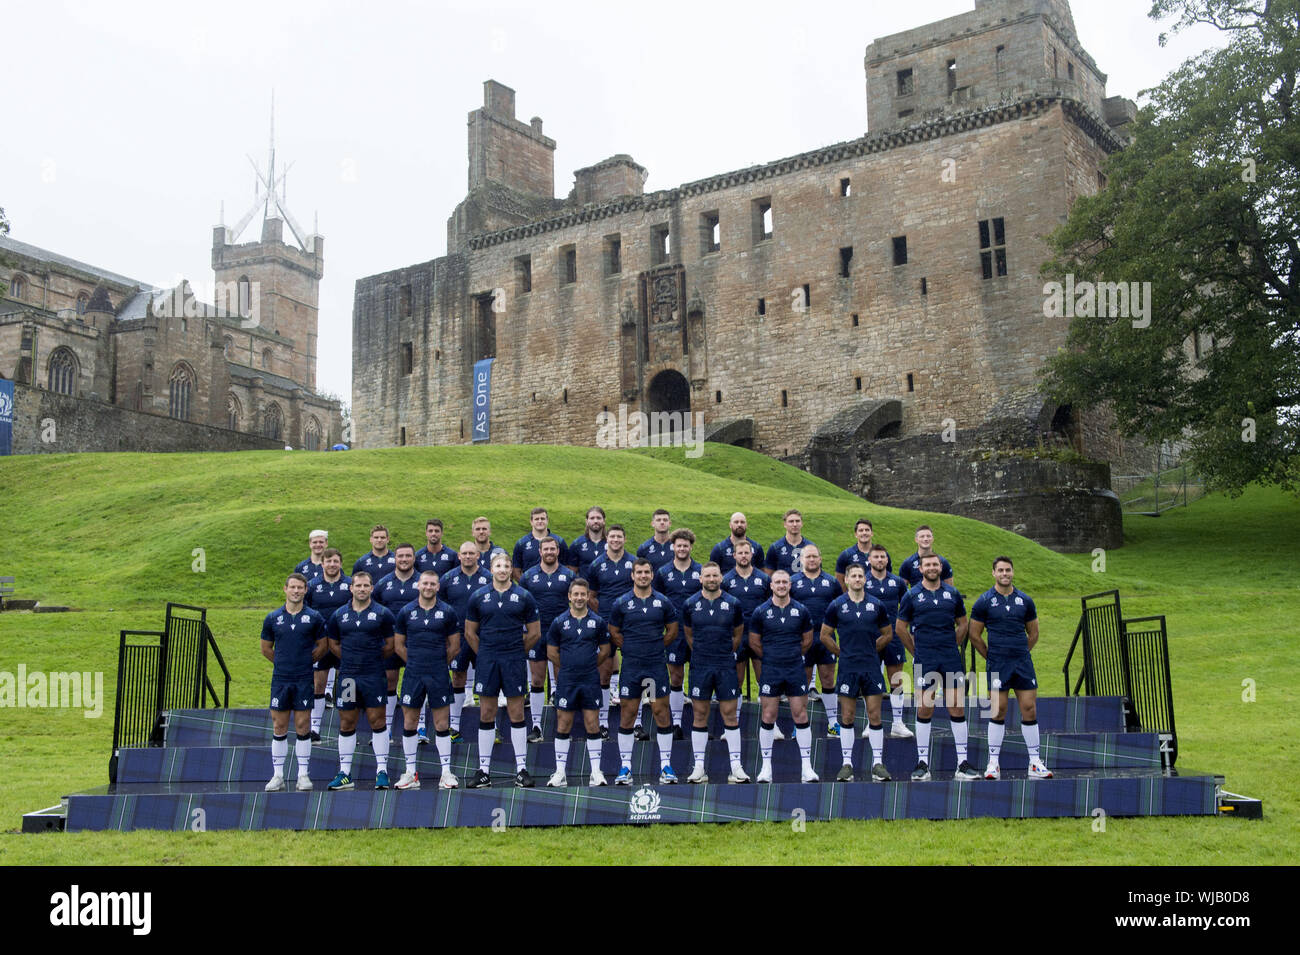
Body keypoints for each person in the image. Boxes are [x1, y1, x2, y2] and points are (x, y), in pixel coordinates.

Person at [895, 555, 979, 781]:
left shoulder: (952, 594)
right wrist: (917, 652)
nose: (932, 568)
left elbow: (962, 623)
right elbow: (901, 628)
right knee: (925, 709)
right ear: (921, 568)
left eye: (935, 565)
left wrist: (953, 645)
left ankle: (962, 763)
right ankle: (922, 763)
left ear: (940, 568)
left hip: (950, 658)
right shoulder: (912, 595)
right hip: (926, 658)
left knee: (957, 708)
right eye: (928, 565)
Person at [967, 556, 1052, 780]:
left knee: (1029, 708)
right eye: (1001, 570)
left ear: (1013, 572)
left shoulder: (1025, 600)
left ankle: (1035, 762)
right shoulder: (984, 601)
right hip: (997, 663)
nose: (1005, 574)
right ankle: (993, 763)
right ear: (993, 573)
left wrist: (1022, 652)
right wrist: (991, 656)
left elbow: (1033, 633)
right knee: (998, 709)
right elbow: (974, 635)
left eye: (1008, 570)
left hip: (1022, 662)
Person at [463, 552, 541, 788]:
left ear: (510, 570)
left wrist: (516, 651)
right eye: (498, 565)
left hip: (513, 661)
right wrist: (485, 653)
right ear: (491, 568)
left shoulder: (524, 596)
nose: (503, 569)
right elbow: (469, 633)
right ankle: (483, 771)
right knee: (486, 712)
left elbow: (535, 633)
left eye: (507, 565)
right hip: (488, 661)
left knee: (516, 712)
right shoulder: (478, 596)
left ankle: (521, 770)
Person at [607, 559, 679, 785]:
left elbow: (672, 630)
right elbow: (614, 631)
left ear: (652, 574)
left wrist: (656, 647)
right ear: (632, 575)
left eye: (647, 572)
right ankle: (625, 768)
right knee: (628, 713)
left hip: (654, 668)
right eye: (639, 572)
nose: (643, 576)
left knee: (660, 712)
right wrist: (628, 648)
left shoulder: (663, 602)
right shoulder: (622, 603)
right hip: (632, 668)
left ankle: (666, 766)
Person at [325, 571, 398, 790]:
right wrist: (351, 660)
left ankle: (382, 771)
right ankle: (345, 773)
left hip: (374, 674)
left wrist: (371, 660)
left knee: (378, 721)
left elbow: (390, 644)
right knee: (347, 721)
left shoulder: (383, 614)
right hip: (348, 677)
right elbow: (333, 644)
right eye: (358, 585)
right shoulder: (339, 615)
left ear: (371, 588)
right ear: (351, 588)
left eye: (366, 585)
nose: (362, 589)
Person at [820, 564, 893, 782]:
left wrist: (872, 649)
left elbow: (888, 633)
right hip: (848, 667)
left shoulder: (876, 605)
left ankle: (877, 764)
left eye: (861, 576)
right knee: (847, 716)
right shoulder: (836, 605)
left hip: (871, 666)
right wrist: (841, 653)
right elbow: (825, 635)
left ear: (865, 580)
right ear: (848, 580)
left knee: (875, 715)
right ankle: (846, 764)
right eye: (854, 576)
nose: (858, 579)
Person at [393, 570, 461, 790]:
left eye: (433, 583)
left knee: (442, 724)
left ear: (438, 587)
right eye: (425, 583)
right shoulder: (406, 612)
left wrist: (438, 663)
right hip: (413, 673)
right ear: (418, 585)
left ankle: (446, 773)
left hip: (439, 673)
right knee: (409, 722)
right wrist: (414, 662)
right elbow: (399, 645)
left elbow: (454, 646)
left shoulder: (448, 612)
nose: (429, 587)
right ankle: (411, 773)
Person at [682, 563, 750, 783]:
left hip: (724, 665)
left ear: (721, 578)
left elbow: (738, 634)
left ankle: (736, 767)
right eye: (707, 575)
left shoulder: (733, 603)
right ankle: (699, 768)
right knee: (699, 714)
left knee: (730, 714)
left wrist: (723, 651)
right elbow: (689, 635)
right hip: (700, 665)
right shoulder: (690, 604)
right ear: (700, 579)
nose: (711, 579)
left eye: (715, 575)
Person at [749, 570, 819, 783]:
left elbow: (807, 640)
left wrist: (791, 656)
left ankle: (807, 767)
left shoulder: (801, 611)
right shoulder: (761, 612)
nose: (781, 585)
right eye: (777, 582)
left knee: (800, 714)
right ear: (771, 586)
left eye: (784, 582)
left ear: (790, 585)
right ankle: (766, 768)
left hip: (795, 668)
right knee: (768, 715)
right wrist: (772, 657)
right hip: (771, 669)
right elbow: (754, 642)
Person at [260, 573, 327, 792]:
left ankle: (303, 775)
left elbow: (322, 646)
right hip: (281, 679)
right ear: (285, 589)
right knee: (279, 725)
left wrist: (305, 662)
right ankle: (278, 775)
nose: (296, 591)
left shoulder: (314, 617)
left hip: (303, 678)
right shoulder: (273, 618)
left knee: (302, 725)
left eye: (300, 588)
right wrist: (282, 663)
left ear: (305, 590)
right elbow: (266, 649)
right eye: (293, 587)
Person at [545, 579, 612, 787]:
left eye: (583, 594)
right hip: (567, 679)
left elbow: (605, 651)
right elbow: (551, 652)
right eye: (576, 594)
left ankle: (595, 772)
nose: (580, 598)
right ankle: (560, 773)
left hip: (590, 678)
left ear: (587, 596)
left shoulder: (598, 622)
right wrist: (568, 667)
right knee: (563, 723)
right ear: (569, 597)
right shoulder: (559, 622)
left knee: (593, 723)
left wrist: (589, 665)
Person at [518, 536, 573, 742]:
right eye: (546, 549)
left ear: (558, 551)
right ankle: (537, 726)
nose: (549, 552)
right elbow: (522, 607)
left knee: (561, 680)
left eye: (553, 549)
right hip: (537, 633)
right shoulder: (528, 576)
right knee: (537, 679)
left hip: (561, 634)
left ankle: (561, 725)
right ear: (540, 552)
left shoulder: (568, 575)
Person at [586, 523, 637, 734]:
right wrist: (605, 615)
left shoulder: (634, 563)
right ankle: (604, 722)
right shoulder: (597, 564)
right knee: (604, 672)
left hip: (632, 624)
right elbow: (592, 595)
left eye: (619, 537)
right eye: (612, 537)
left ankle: (639, 722)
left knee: (637, 672)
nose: (616, 540)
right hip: (606, 623)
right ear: (608, 539)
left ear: (625, 539)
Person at [789, 544, 842, 734]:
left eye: (814, 556)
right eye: (808, 557)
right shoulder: (793, 582)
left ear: (820, 559)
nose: (811, 560)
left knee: (828, 679)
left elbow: (840, 609)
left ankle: (833, 724)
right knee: (802, 681)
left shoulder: (831, 582)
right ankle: (800, 725)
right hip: (802, 639)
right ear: (801, 560)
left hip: (826, 638)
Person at [863, 544, 914, 739]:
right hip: (870, 637)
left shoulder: (898, 582)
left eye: (883, 557)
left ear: (887, 560)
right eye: (876, 557)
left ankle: (898, 723)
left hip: (893, 636)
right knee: (872, 680)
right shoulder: (864, 581)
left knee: (897, 680)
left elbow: (908, 607)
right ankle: (870, 722)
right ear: (869, 560)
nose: (879, 560)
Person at [655, 528, 701, 738]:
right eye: (679, 545)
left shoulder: (700, 571)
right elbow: (657, 600)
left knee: (698, 677)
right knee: (675, 676)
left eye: (686, 545)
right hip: (674, 631)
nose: (682, 548)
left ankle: (700, 725)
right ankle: (676, 724)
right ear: (673, 547)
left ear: (691, 546)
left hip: (698, 631)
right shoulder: (663, 572)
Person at [305, 548, 351, 740]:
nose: (332, 565)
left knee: (349, 685)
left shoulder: (350, 585)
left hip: (345, 642)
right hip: (321, 642)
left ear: (340, 563)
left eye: (335, 561)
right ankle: (315, 728)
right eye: (328, 561)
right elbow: (305, 612)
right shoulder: (312, 586)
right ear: (322, 563)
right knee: (318, 684)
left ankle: (348, 727)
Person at [374, 543, 420, 739]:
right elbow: (375, 610)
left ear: (414, 558)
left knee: (418, 683)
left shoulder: (422, 581)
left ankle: (420, 729)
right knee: (390, 682)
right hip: (391, 641)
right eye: (400, 556)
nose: (404, 559)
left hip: (417, 641)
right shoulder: (383, 583)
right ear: (395, 558)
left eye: (408, 556)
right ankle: (387, 729)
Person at [722, 539, 771, 702]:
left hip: (759, 635)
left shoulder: (764, 579)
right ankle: (733, 725)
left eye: (746, 553)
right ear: (734, 555)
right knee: (736, 682)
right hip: (737, 636)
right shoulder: (726, 580)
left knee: (766, 681)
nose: (744, 556)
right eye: (740, 553)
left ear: (752, 554)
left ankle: (770, 725)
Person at [513, 507, 568, 582]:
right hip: (531, 588)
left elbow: (567, 566)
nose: (540, 521)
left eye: (542, 518)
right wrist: (525, 586)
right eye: (536, 519)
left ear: (547, 520)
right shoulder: (521, 543)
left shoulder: (559, 541)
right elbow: (516, 570)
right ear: (531, 522)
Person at [834, 519, 893, 587]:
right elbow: (839, 580)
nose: (864, 533)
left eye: (867, 530)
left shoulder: (882, 554)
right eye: (861, 530)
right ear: (856, 534)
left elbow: (888, 576)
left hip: (878, 596)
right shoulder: (846, 555)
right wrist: (849, 596)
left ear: (872, 533)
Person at [899, 525, 954, 589]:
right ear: (916, 539)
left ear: (932, 539)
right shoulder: (907, 563)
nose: (926, 539)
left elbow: (950, 590)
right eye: (922, 536)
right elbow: (901, 590)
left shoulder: (943, 562)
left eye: (928, 536)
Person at [765, 508, 814, 574]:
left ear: (802, 523)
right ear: (785, 524)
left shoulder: (811, 547)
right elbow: (769, 575)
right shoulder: (775, 548)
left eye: (797, 521)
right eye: (791, 521)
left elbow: (816, 572)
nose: (794, 524)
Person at [567, 505, 609, 573]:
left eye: (598, 518)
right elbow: (572, 573)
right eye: (592, 518)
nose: (595, 521)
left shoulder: (611, 543)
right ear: (586, 521)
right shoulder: (577, 544)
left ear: (604, 521)